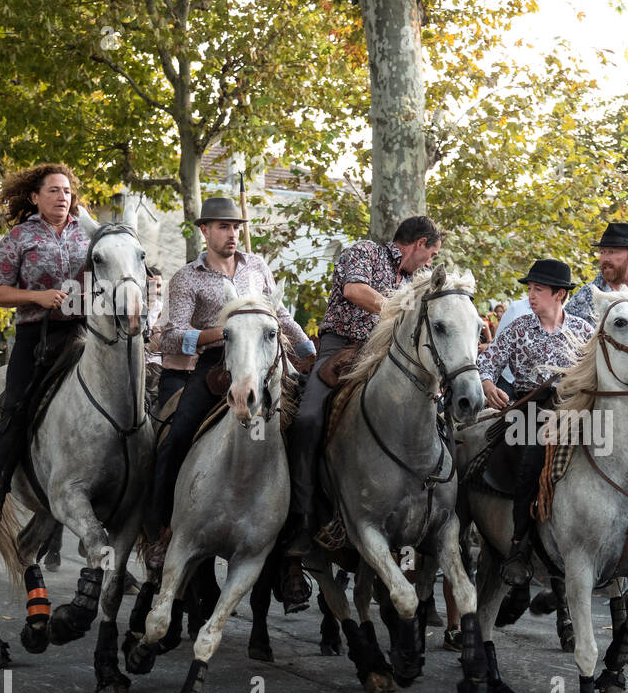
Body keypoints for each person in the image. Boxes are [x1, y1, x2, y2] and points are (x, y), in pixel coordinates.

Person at [146, 196, 315, 568]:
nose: (232, 233)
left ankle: (298, 539)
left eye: (236, 227)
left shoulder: (256, 266)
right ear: (204, 231)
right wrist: (221, 333)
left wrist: (307, 351)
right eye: (224, 227)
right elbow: (172, 336)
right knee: (175, 437)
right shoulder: (187, 277)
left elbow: (280, 314)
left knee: (305, 431)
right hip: (216, 370)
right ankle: (161, 531)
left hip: (267, 365)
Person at [282, 215, 443, 599]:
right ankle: (300, 520)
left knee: (436, 423)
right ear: (418, 243)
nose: (430, 262)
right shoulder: (365, 251)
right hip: (342, 351)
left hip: (392, 360)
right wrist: (399, 308)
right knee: (306, 421)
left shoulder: (420, 279)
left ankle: (421, 521)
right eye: (431, 253)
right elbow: (355, 290)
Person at [0, 163, 92, 527]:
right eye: (53, 190)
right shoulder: (19, 238)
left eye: (67, 191)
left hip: (85, 332)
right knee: (17, 407)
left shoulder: (87, 234)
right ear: (36, 197)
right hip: (36, 337)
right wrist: (37, 297)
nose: (62, 197)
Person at [478, 258, 593, 585]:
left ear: (559, 294)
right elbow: (487, 362)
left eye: (538, 290)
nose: (531, 295)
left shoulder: (584, 331)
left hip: (574, 408)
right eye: (530, 289)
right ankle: (518, 545)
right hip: (531, 406)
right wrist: (487, 384)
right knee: (531, 458)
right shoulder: (517, 329)